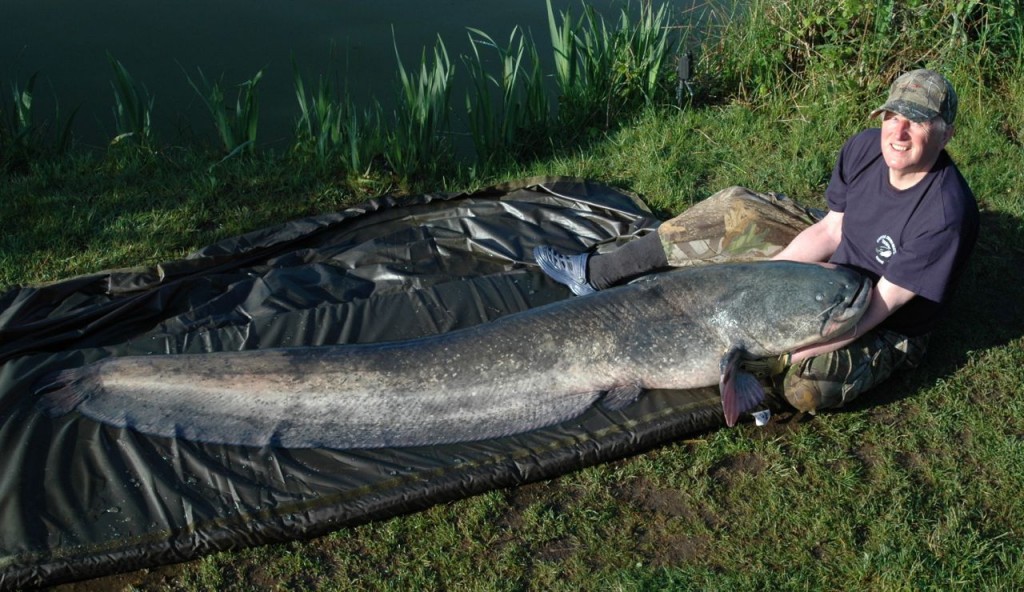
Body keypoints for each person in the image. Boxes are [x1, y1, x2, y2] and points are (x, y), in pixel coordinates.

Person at [534, 69, 979, 417]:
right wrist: (761, 282)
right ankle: (596, 273)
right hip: (828, 273)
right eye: (893, 117)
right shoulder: (865, 149)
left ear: (946, 134)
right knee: (736, 211)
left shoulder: (945, 214)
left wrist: (795, 346)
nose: (898, 133)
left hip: (880, 315)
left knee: (806, 385)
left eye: (917, 122)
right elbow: (831, 230)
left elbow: (884, 303)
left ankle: (763, 367)